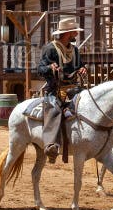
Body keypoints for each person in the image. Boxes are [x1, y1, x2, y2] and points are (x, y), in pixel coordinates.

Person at [37, 17, 87, 162]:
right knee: (54, 110)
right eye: (75, 32)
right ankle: (51, 145)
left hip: (74, 89)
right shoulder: (50, 49)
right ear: (68, 33)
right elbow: (40, 69)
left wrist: (83, 69)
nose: (76, 34)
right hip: (55, 90)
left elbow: (80, 66)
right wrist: (49, 68)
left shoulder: (75, 50)